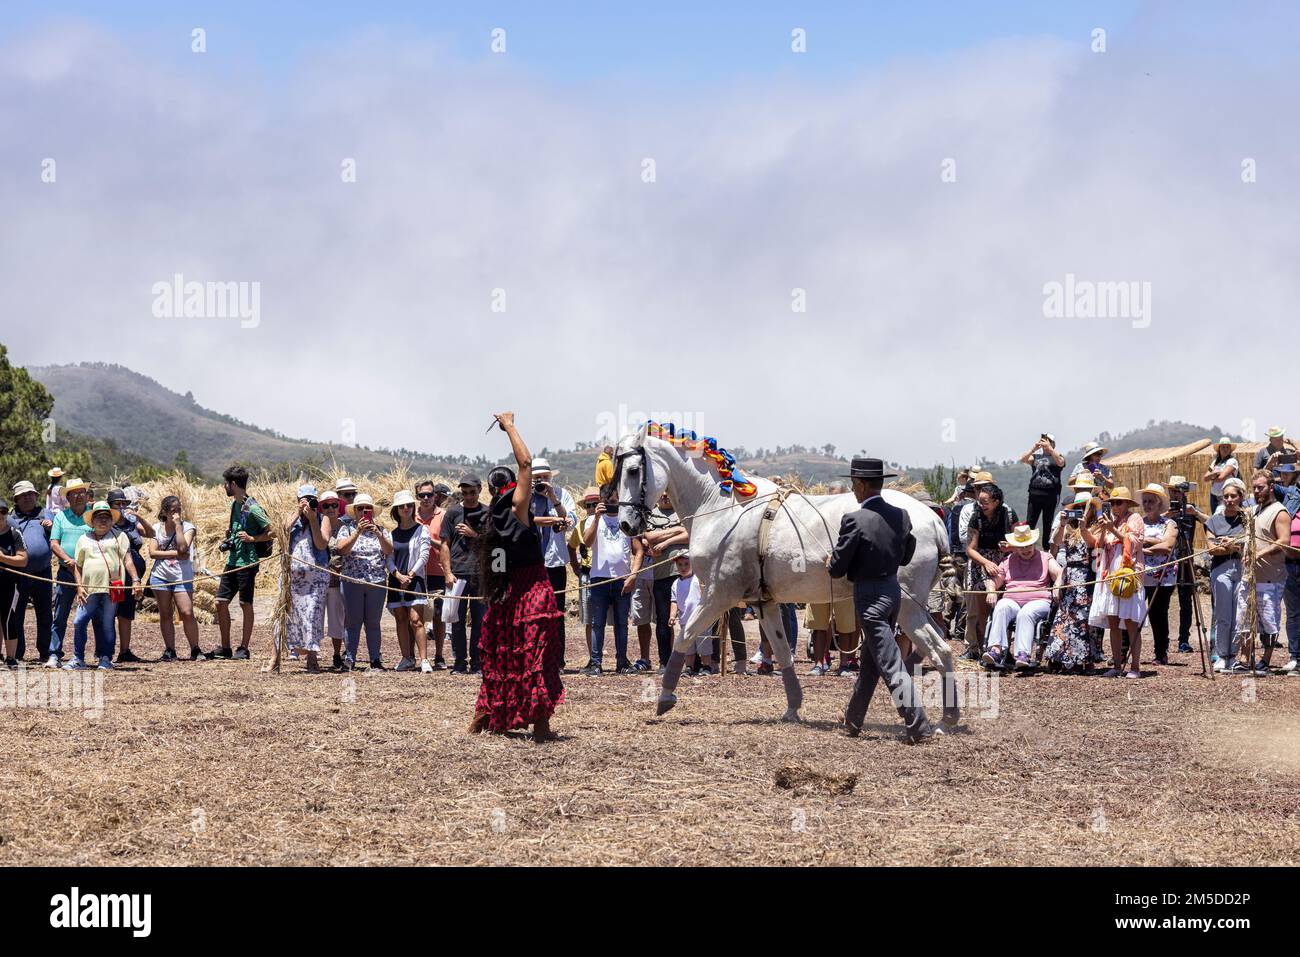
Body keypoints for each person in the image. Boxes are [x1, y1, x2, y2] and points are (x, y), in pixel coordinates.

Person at [468, 413, 565, 743]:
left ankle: (485, 715)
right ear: (512, 489)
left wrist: (498, 594)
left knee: (501, 653)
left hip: (507, 593)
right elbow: (526, 463)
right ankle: (539, 723)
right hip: (533, 590)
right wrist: (509, 425)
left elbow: (497, 563)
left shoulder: (494, 520)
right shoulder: (518, 506)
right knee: (534, 655)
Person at [827, 457, 936, 744]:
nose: (853, 490)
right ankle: (853, 720)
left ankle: (918, 724)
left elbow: (838, 568)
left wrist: (831, 562)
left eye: (854, 485)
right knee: (871, 662)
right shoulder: (901, 515)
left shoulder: (854, 519)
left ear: (861, 485)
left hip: (869, 596)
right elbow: (907, 554)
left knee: (889, 663)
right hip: (892, 591)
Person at [68, 500, 143, 670]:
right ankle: (78, 658)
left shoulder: (120, 536)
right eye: (99, 517)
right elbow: (77, 566)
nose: (103, 521)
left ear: (112, 520)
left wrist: (136, 580)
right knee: (79, 621)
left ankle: (106, 659)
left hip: (113, 588)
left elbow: (128, 560)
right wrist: (79, 587)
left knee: (108, 623)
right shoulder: (83, 539)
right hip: (89, 589)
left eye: (107, 517)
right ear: (92, 521)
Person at [1084, 486, 1147, 679]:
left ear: (1127, 503)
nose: (1115, 506)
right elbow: (1099, 545)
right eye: (1112, 502)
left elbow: (1136, 543)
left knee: (1130, 622)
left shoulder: (1134, 519)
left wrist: (1113, 529)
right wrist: (1105, 529)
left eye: (1118, 502)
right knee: (1113, 620)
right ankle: (1117, 665)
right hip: (1110, 572)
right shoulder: (1111, 521)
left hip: (1128, 572)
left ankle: (1135, 666)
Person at [982, 523, 1063, 670]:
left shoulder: (1045, 557)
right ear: (1015, 547)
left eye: (1028, 546)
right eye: (1021, 547)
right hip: (1012, 599)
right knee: (1001, 606)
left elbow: (1060, 573)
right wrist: (991, 589)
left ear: (1033, 544)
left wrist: (1057, 585)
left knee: (1026, 613)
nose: (1025, 550)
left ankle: (1023, 654)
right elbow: (993, 581)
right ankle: (995, 650)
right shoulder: (1008, 560)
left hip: (1039, 600)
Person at [214, 466, 272, 660]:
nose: (223, 487)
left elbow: (273, 531)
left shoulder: (254, 508)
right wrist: (229, 537)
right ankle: (225, 647)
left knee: (245, 604)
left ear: (233, 484)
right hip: (233, 561)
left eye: (225, 483)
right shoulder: (234, 505)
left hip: (248, 562)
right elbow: (235, 529)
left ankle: (244, 647)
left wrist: (252, 539)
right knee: (220, 602)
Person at [332, 492, 392, 670]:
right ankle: (350, 658)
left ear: (372, 511)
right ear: (355, 511)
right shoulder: (347, 528)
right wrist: (358, 531)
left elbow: (389, 550)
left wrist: (379, 535)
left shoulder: (381, 529)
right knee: (352, 622)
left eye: (367, 509)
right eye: (359, 509)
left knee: (373, 622)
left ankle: (375, 659)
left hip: (376, 582)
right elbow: (341, 549)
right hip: (352, 581)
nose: (363, 512)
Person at [1237, 473, 1290, 674]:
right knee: (1244, 616)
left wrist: (1260, 553)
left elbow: (1284, 541)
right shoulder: (1253, 511)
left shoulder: (1280, 512)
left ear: (1271, 487)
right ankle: (1244, 659)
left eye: (1260, 487)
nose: (1257, 491)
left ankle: (1265, 660)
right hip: (1249, 575)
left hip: (1270, 575)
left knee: (1268, 619)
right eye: (1255, 487)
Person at [147, 495, 209, 660]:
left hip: (182, 576)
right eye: (173, 510)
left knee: (187, 612)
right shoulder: (156, 528)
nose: (177, 514)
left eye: (179, 510)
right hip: (160, 576)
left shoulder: (188, 527)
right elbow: (153, 553)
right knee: (165, 613)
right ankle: (170, 650)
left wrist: (178, 527)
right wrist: (176, 554)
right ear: (165, 512)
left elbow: (184, 547)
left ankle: (195, 649)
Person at [581, 482, 634, 675]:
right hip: (599, 579)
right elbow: (586, 542)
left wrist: (633, 575)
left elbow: (638, 547)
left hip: (622, 578)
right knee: (598, 623)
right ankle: (596, 663)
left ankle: (622, 662)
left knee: (622, 623)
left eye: (616, 501)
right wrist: (596, 516)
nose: (613, 504)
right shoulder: (593, 519)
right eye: (609, 501)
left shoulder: (626, 518)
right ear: (601, 501)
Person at [1044, 492, 1097, 672]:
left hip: (1086, 574)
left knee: (1082, 618)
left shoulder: (1095, 526)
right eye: (1078, 507)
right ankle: (1058, 656)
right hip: (1069, 573)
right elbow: (1056, 543)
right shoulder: (1068, 527)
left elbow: (1093, 544)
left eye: (1084, 507)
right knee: (1064, 616)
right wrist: (1062, 524)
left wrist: (1084, 528)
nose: (1081, 510)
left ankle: (1081, 659)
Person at [441, 474, 488, 675]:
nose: (468, 496)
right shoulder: (452, 513)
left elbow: (494, 544)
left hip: (480, 574)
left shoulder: (487, 513)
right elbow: (444, 544)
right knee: (456, 620)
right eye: (465, 492)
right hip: (457, 574)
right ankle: (460, 662)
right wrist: (447, 572)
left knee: (480, 621)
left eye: (472, 491)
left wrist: (474, 535)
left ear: (479, 490)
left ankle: (477, 663)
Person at [964, 484, 1018, 654]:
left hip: (1004, 565)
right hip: (981, 565)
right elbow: (970, 549)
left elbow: (1019, 540)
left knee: (1004, 608)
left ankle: (1004, 651)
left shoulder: (1008, 515)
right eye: (979, 501)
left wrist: (1010, 546)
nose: (981, 505)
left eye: (985, 502)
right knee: (982, 611)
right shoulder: (976, 518)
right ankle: (982, 651)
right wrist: (986, 563)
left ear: (996, 502)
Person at [630, 491, 680, 672]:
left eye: (668, 492)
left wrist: (665, 541)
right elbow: (648, 538)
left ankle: (694, 662)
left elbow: (691, 533)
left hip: (685, 573)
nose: (666, 495)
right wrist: (678, 530)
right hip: (661, 574)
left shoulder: (683, 509)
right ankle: (665, 662)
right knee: (663, 619)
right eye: (662, 493)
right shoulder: (649, 515)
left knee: (690, 618)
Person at [282, 485, 330, 672]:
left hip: (316, 577)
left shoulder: (322, 518)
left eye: (312, 499)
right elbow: (282, 532)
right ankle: (292, 650)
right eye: (304, 498)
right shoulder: (291, 518)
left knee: (313, 616)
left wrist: (312, 521)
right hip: (294, 577)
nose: (308, 502)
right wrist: (297, 513)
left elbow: (321, 543)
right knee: (294, 616)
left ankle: (312, 657)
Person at [6, 480, 53, 663]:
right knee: (17, 615)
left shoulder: (46, 514)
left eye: (30, 494)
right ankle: (18, 652)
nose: (27, 498)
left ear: (36, 496)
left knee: (45, 614)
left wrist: (51, 528)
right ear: (16, 499)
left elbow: (57, 538)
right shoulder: (9, 519)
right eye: (22, 496)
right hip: (18, 574)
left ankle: (46, 651)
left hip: (43, 572)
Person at [106, 488, 154, 664]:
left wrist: (138, 517)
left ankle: (125, 650)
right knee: (111, 611)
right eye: (117, 504)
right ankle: (106, 650)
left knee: (126, 612)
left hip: (134, 571)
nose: (121, 507)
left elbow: (151, 533)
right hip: (115, 572)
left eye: (123, 503)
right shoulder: (107, 523)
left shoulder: (131, 523)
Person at [48, 477, 92, 667]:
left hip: (90, 573)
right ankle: (54, 654)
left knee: (94, 615)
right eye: (74, 493)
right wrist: (67, 559)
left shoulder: (93, 515)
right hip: (66, 572)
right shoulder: (60, 517)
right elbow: (54, 543)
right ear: (68, 497)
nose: (79, 496)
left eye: (82, 492)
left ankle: (101, 655)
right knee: (60, 615)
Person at [1205, 479, 1247, 673]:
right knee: (1223, 614)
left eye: (1234, 496)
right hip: (1221, 569)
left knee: (1239, 613)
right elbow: (1212, 550)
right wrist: (1235, 546)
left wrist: (1230, 544)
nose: (1229, 500)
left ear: (1241, 497)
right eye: (1226, 496)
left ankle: (1234, 656)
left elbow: (1250, 545)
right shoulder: (1213, 522)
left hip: (1242, 568)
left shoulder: (1247, 520)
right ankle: (1222, 655)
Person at [387, 490, 431, 672]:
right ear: (396, 510)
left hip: (415, 579)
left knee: (416, 619)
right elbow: (388, 556)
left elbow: (424, 555)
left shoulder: (422, 530)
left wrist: (411, 574)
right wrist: (397, 575)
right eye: (402, 506)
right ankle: (406, 657)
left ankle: (424, 659)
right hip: (397, 579)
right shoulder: (392, 533)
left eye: (409, 505)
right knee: (400, 618)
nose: (405, 508)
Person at [1137, 483, 1179, 665]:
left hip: (1163, 576)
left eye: (1151, 501)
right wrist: (1155, 542)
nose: (1147, 505)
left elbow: (1167, 546)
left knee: (1158, 614)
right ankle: (1126, 650)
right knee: (1133, 612)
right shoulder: (1138, 522)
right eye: (1145, 501)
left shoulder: (1169, 523)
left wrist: (1143, 547)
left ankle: (1161, 652)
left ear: (1158, 503)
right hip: (1141, 574)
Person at [1163, 476, 1205, 653]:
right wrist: (1167, 516)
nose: (1175, 493)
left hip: (1186, 559)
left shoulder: (1190, 508)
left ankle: (1184, 639)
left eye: (1179, 490)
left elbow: (1210, 522)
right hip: (1167, 559)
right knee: (1162, 601)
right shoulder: (1165, 510)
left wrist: (1194, 512)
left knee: (1186, 602)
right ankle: (1162, 642)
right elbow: (1150, 522)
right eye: (1172, 490)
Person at [415, 481, 450, 669]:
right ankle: (418, 656)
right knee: (416, 616)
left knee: (438, 615)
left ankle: (439, 655)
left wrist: (430, 540)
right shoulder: (411, 515)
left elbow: (447, 545)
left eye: (429, 494)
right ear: (417, 497)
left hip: (437, 571)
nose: (426, 498)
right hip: (416, 573)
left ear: (435, 496)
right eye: (422, 495)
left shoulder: (444, 516)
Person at [316, 490, 348, 669]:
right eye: (326, 505)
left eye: (334, 505)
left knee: (337, 620)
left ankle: (337, 654)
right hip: (319, 580)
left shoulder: (345, 527)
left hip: (337, 581)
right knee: (317, 618)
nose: (330, 509)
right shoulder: (315, 525)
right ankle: (313, 652)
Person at [669, 552, 715, 675]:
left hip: (701, 619)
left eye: (686, 564)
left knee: (704, 644)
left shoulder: (698, 579)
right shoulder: (675, 583)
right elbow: (674, 601)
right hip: (685, 620)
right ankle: (689, 667)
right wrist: (672, 616)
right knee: (688, 647)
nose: (683, 567)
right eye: (680, 565)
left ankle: (706, 666)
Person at [1021, 433, 1065, 545]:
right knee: (1030, 522)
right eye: (1044, 440)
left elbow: (1061, 462)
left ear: (1053, 444)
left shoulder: (1057, 456)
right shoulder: (1036, 457)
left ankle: (1046, 547)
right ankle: (1026, 545)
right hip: (1034, 494)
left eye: (1048, 440)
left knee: (1047, 522)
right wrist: (1034, 448)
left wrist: (1050, 449)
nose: (1045, 442)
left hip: (1050, 495)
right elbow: (1023, 459)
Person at [0, 498, 28, 668]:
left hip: (11, 584)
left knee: (9, 619)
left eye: (3, 513)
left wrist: (3, 558)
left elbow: (23, 560)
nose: (0, 516)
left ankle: (11, 658)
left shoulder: (14, 533)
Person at [1202, 438, 1239, 513]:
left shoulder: (1232, 461)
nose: (1225, 449)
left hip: (1226, 497)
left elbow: (1221, 478)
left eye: (1227, 447)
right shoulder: (1215, 462)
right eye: (1223, 447)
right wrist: (1215, 474)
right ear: (1219, 449)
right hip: (1214, 496)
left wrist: (1211, 476)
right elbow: (1205, 477)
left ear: (1230, 449)